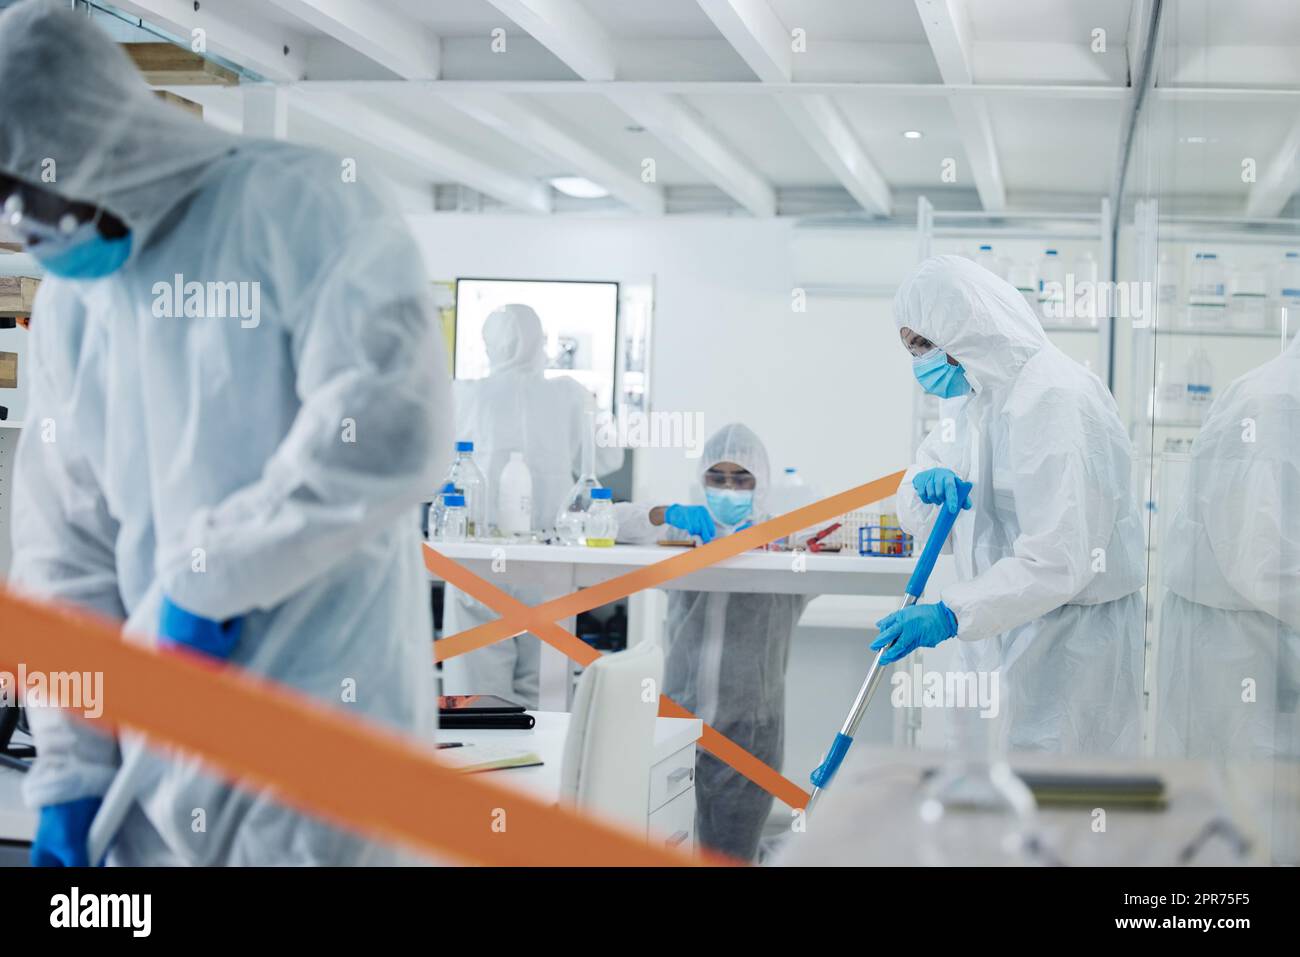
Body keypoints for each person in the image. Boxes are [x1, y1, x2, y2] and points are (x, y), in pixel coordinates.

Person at [2, 0, 452, 865]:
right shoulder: (67, 310)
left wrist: (206, 579)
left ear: (83, 131)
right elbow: (66, 557)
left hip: (320, 762)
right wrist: (66, 772)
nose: (23, 222)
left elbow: (392, 425)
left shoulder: (303, 206)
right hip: (150, 780)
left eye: (27, 187)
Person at [878, 255, 1145, 755]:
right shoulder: (973, 396)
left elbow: (1059, 559)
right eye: (910, 348)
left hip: (1068, 646)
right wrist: (922, 488)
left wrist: (953, 614)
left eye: (923, 345)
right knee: (991, 795)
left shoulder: (1055, 399)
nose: (919, 363)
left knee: (1058, 799)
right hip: (1000, 632)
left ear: (965, 329)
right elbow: (919, 488)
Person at [613, 423, 806, 862]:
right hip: (677, 721)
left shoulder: (783, 545)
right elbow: (605, 523)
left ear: (762, 484)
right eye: (716, 478)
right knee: (666, 845)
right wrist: (665, 513)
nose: (728, 489)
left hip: (749, 729)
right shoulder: (680, 535)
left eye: (741, 479)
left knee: (729, 856)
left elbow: (838, 548)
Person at [440, 304, 622, 708]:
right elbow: (610, 459)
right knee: (545, 697)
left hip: (478, 563)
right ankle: (541, 769)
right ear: (540, 342)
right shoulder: (569, 394)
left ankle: (478, 770)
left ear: (488, 345)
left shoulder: (465, 394)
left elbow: (432, 465)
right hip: (548, 564)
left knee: (475, 698)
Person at [1155, 334, 1299, 761]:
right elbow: (1259, 558)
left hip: (1270, 633)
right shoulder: (1272, 404)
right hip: (1238, 649)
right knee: (1245, 806)